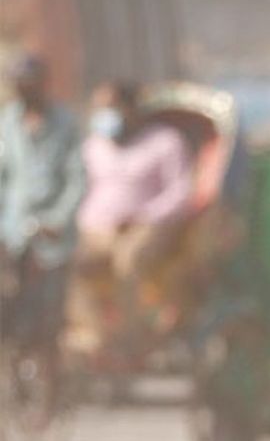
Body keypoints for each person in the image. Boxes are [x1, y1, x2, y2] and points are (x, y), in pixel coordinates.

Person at [72, 80, 194, 357]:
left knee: (128, 260)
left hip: (146, 229)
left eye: (110, 107)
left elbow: (180, 192)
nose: (103, 114)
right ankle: (95, 336)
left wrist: (142, 216)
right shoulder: (94, 147)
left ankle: (131, 338)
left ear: (131, 109)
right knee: (70, 262)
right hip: (97, 230)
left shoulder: (165, 141)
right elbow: (81, 189)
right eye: (99, 108)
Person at [0, 54, 86, 349]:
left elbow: (77, 179)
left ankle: (52, 376)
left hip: (52, 237)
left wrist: (58, 220)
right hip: (13, 232)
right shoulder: (8, 122)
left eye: (30, 84)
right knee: (10, 306)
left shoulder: (64, 123)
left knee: (50, 314)